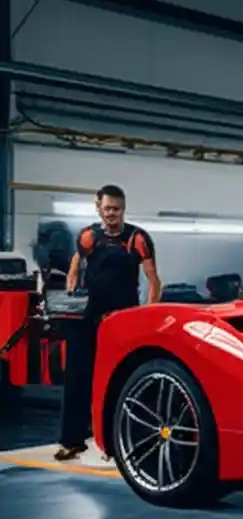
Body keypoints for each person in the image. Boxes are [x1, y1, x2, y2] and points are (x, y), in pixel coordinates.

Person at [56, 184, 161, 460]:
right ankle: (72, 440)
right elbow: (75, 267)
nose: (112, 214)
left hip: (123, 318)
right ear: (98, 208)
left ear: (123, 209)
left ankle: (118, 443)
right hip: (87, 317)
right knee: (77, 378)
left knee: (121, 379)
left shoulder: (137, 238)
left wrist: (149, 314)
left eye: (117, 209)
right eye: (107, 209)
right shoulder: (89, 236)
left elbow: (153, 280)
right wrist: (70, 297)